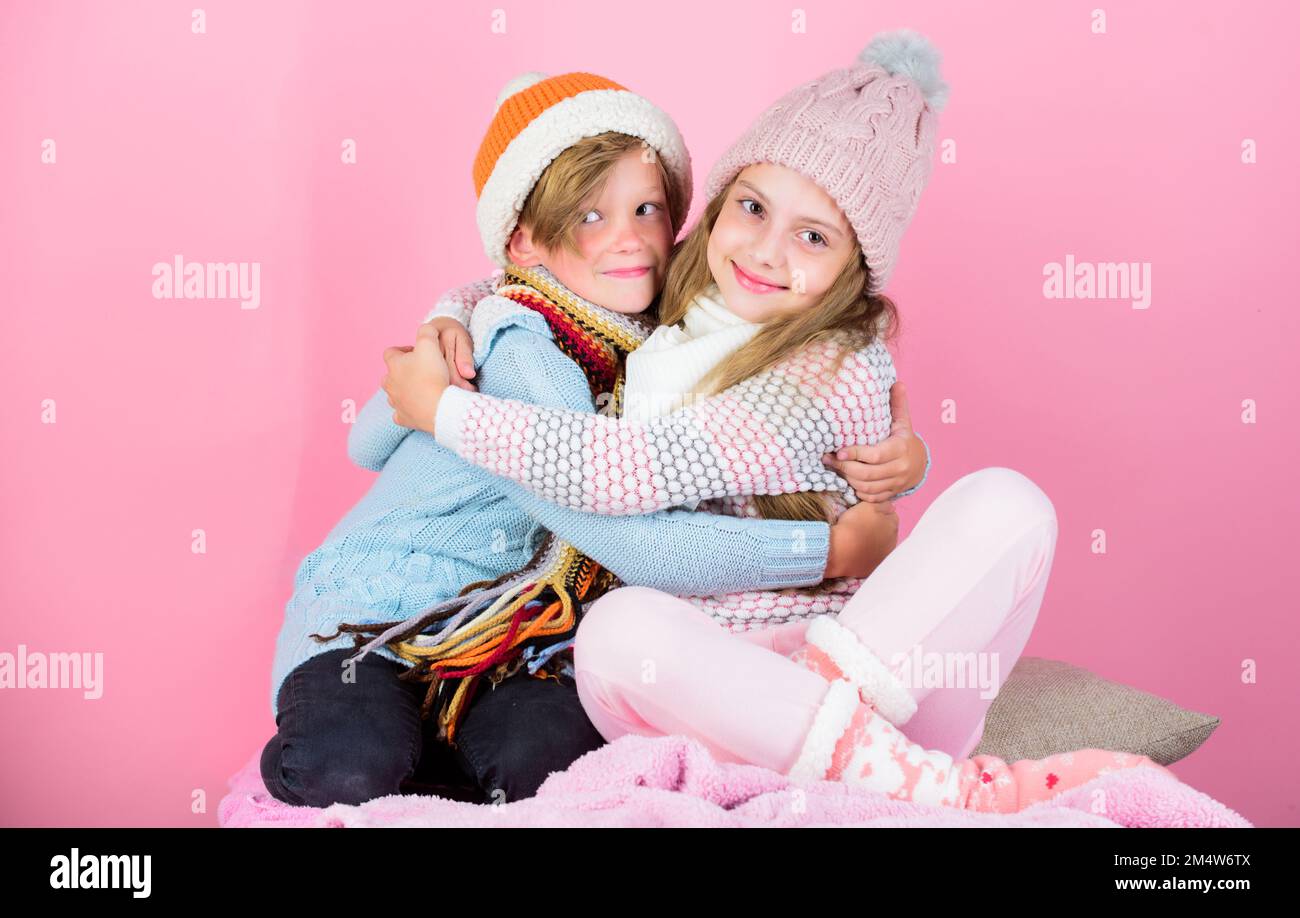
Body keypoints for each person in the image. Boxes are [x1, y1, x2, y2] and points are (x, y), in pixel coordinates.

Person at [377, 29, 1178, 812]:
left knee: (1010, 502)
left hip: (864, 668)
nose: (764, 250)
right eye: (753, 207)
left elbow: (620, 470)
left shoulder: (826, 368)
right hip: (720, 688)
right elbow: (542, 269)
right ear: (721, 202)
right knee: (618, 632)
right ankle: (891, 773)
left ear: (852, 271)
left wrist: (443, 411)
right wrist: (452, 315)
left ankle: (907, 777)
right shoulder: (692, 302)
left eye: (813, 235)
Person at [261, 71, 910, 809]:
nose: (630, 240)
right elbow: (627, 539)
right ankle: (352, 746)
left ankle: (442, 761)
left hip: (521, 642)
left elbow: (819, 371)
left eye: (646, 209)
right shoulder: (519, 346)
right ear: (526, 243)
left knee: (554, 770)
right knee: (350, 769)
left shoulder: (671, 319)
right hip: (380, 623)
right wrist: (829, 552)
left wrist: (904, 446)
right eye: (590, 219)